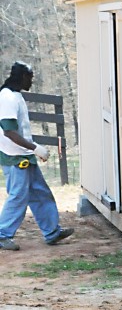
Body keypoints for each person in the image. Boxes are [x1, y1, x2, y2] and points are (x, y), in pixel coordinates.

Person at [0, 61, 72, 251]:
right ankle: (3, 234)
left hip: (23, 154)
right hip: (14, 156)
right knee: (18, 196)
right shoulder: (7, 98)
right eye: (30, 78)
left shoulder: (15, 95)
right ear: (23, 76)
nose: (32, 82)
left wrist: (31, 150)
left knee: (40, 193)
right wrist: (35, 148)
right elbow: (9, 132)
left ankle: (51, 231)